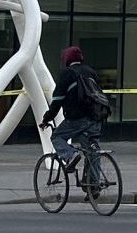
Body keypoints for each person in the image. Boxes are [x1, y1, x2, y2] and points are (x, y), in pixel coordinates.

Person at [40, 45, 111, 193]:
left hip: (77, 119)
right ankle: (93, 186)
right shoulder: (91, 71)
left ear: (66, 59)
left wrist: (46, 119)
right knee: (92, 150)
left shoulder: (67, 74)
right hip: (95, 118)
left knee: (57, 136)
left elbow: (57, 101)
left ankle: (70, 156)